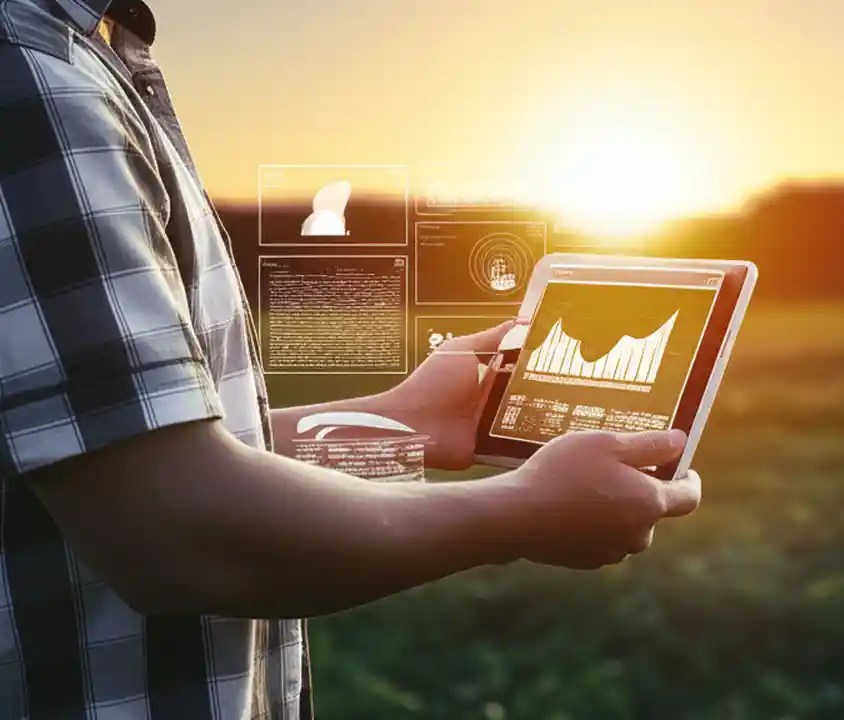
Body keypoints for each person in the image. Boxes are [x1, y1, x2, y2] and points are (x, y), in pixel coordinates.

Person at [0, 1, 702, 717]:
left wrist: (403, 424)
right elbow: (172, 529)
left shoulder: (79, 57)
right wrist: (520, 512)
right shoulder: (30, 74)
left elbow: (122, 459)